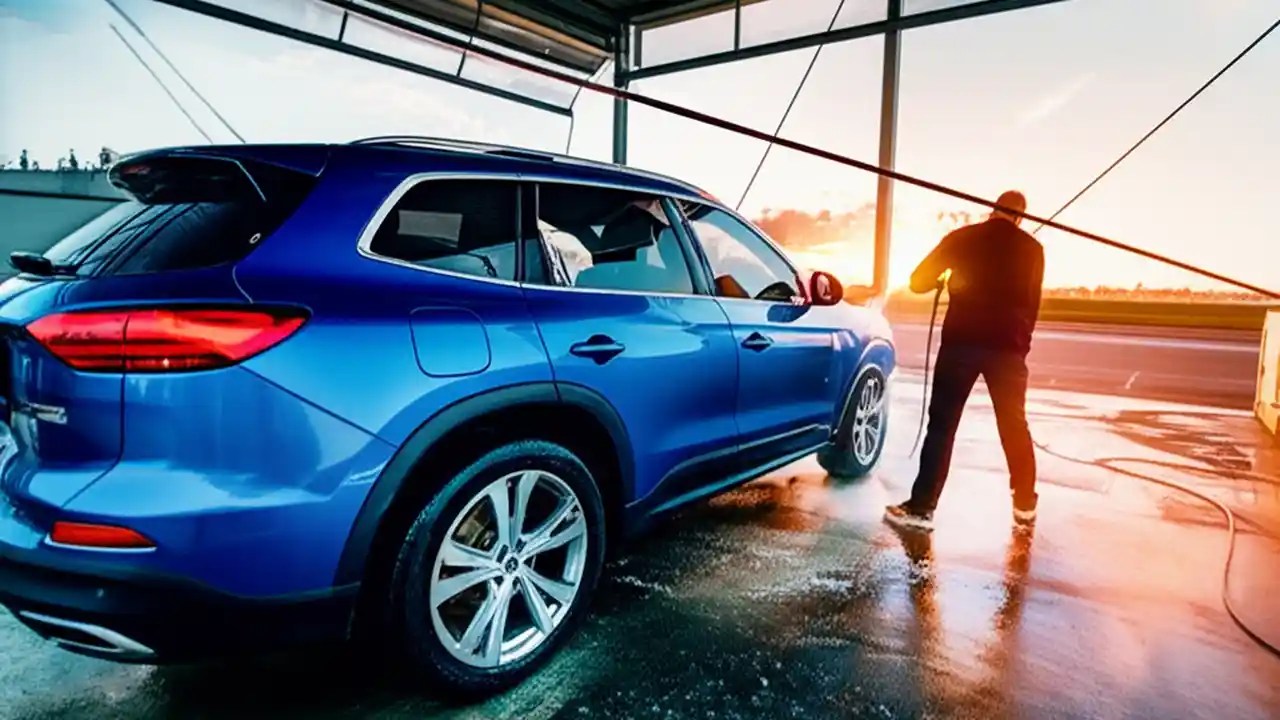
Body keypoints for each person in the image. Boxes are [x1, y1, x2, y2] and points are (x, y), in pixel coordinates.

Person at [884, 190, 1045, 533]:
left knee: (943, 425)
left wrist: (944, 277)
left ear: (992, 210)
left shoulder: (961, 238)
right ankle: (1025, 504)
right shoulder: (1034, 250)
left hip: (961, 344)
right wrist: (1020, 347)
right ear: (1021, 216)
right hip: (1009, 350)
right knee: (1014, 425)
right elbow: (1032, 306)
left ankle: (922, 508)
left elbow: (917, 281)